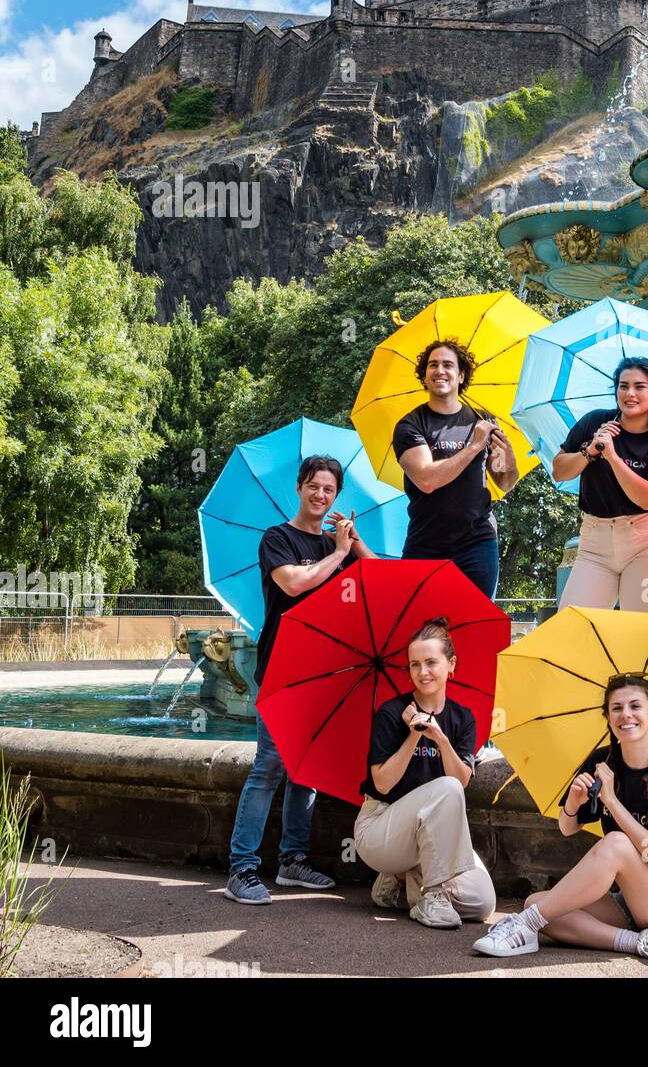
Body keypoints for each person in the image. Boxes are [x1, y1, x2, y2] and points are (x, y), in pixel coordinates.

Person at [471, 673, 648, 960]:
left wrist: (611, 799)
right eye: (616, 708)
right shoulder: (602, 762)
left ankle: (524, 927)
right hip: (632, 901)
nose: (626, 715)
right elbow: (567, 828)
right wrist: (573, 803)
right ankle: (637, 943)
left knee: (616, 844)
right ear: (608, 717)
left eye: (635, 706)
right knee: (536, 901)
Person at [225, 455, 377, 905]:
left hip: (324, 672)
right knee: (269, 768)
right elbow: (294, 584)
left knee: (306, 771)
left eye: (329, 490)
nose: (320, 495)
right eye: (314, 486)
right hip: (281, 669)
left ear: (337, 496)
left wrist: (353, 542)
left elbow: (376, 576)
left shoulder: (340, 546)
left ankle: (292, 861)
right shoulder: (278, 538)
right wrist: (336, 554)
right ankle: (242, 867)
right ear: (299, 487)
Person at [354, 618, 496, 929]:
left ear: (451, 664)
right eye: (415, 664)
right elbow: (382, 782)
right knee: (444, 789)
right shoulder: (391, 713)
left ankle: (405, 878)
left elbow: (460, 782)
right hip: (381, 828)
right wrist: (414, 733)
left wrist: (440, 738)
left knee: (482, 901)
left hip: (433, 834)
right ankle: (429, 896)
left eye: (431, 662)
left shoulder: (462, 719)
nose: (423, 672)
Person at [551, 358, 648, 614]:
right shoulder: (595, 423)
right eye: (623, 386)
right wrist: (590, 451)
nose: (630, 393)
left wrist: (613, 458)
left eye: (640, 386)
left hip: (647, 543)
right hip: (595, 540)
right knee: (573, 624)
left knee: (643, 630)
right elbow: (559, 471)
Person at [393, 338, 519, 599]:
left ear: (461, 376)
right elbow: (426, 479)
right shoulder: (409, 425)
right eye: (433, 365)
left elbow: (505, 482)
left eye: (448, 365)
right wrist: (473, 446)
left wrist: (507, 455)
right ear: (425, 376)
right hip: (425, 543)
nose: (440, 371)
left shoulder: (484, 420)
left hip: (478, 542)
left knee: (475, 628)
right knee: (418, 629)